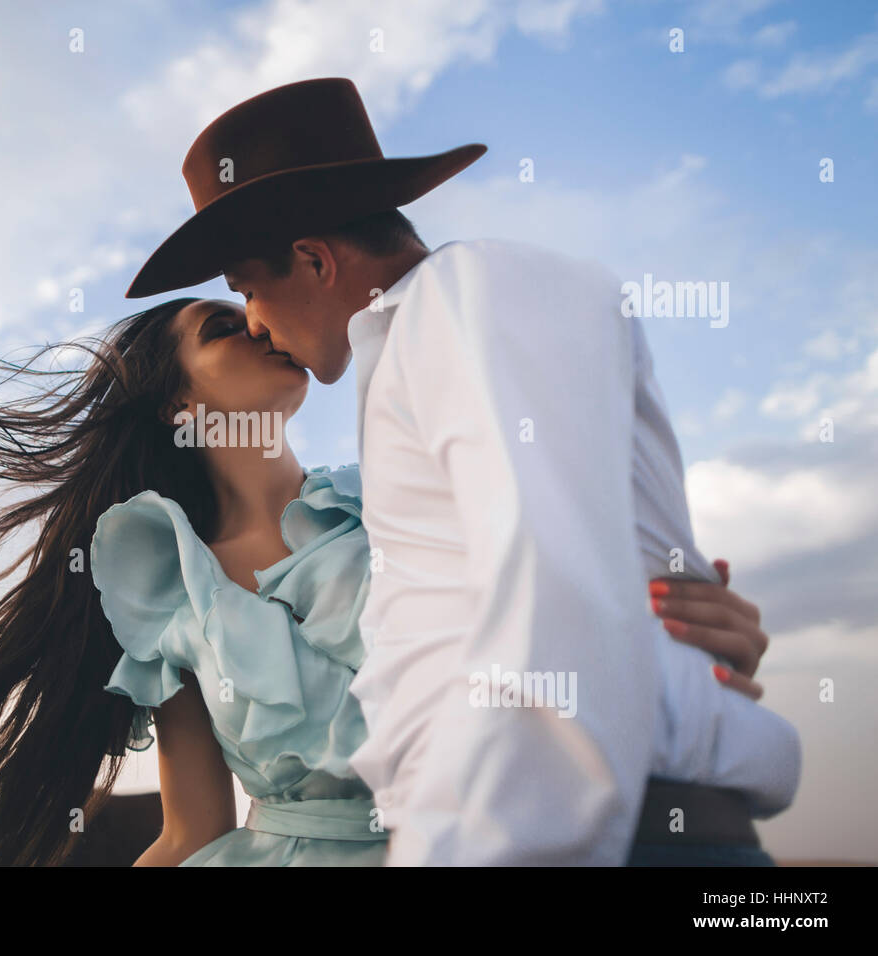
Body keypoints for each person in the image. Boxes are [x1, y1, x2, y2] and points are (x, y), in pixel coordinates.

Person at [0, 295, 774, 868]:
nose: (259, 320)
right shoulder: (163, 579)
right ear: (174, 403)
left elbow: (562, 627)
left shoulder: (409, 501)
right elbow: (195, 826)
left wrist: (697, 647)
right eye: (221, 323)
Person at [120, 77, 802, 865]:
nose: (259, 325)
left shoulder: (466, 297)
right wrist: (662, 651)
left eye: (247, 293)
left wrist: (663, 654)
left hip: (603, 833)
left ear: (312, 259)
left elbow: (551, 592)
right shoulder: (415, 351)